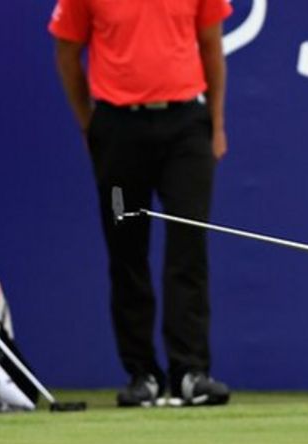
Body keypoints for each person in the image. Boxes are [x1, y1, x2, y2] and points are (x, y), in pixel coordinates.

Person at [49, 0, 232, 407]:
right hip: (117, 130)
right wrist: (89, 125)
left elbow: (211, 47)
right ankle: (143, 374)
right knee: (125, 249)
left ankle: (190, 372)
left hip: (186, 128)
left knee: (189, 248)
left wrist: (216, 125)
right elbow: (66, 51)